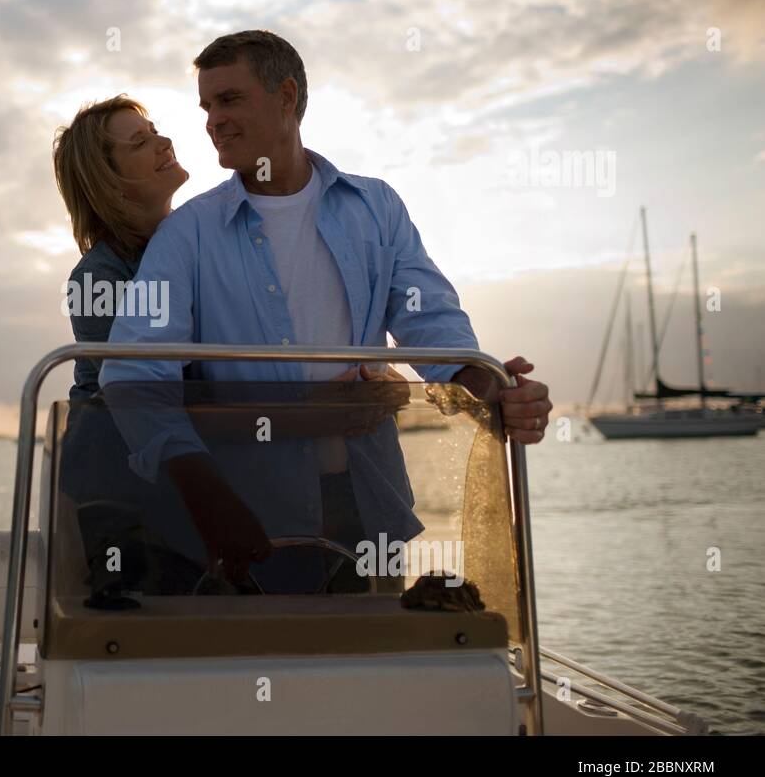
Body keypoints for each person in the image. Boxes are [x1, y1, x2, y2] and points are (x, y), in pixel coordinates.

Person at [98, 30, 554, 588]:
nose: (213, 120)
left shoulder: (375, 206)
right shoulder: (187, 234)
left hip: (370, 502)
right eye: (207, 106)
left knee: (375, 667)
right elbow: (132, 374)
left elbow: (432, 326)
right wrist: (208, 499)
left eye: (230, 99)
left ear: (287, 97)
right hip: (244, 516)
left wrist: (493, 390)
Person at [53, 94, 188, 400]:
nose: (165, 142)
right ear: (108, 180)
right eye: (140, 142)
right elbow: (137, 390)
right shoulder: (95, 278)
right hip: (117, 443)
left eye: (154, 131)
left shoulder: (196, 241)